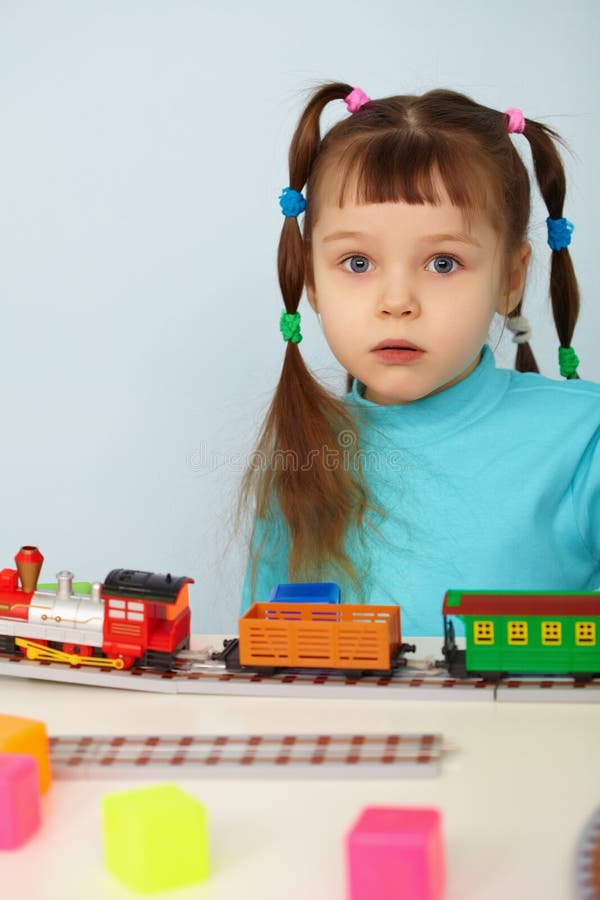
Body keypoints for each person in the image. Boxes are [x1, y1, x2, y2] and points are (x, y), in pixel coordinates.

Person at [236, 81, 600, 636]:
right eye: (357, 263)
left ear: (511, 279)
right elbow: (265, 658)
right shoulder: (300, 450)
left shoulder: (584, 439)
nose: (398, 302)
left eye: (444, 263)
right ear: (309, 279)